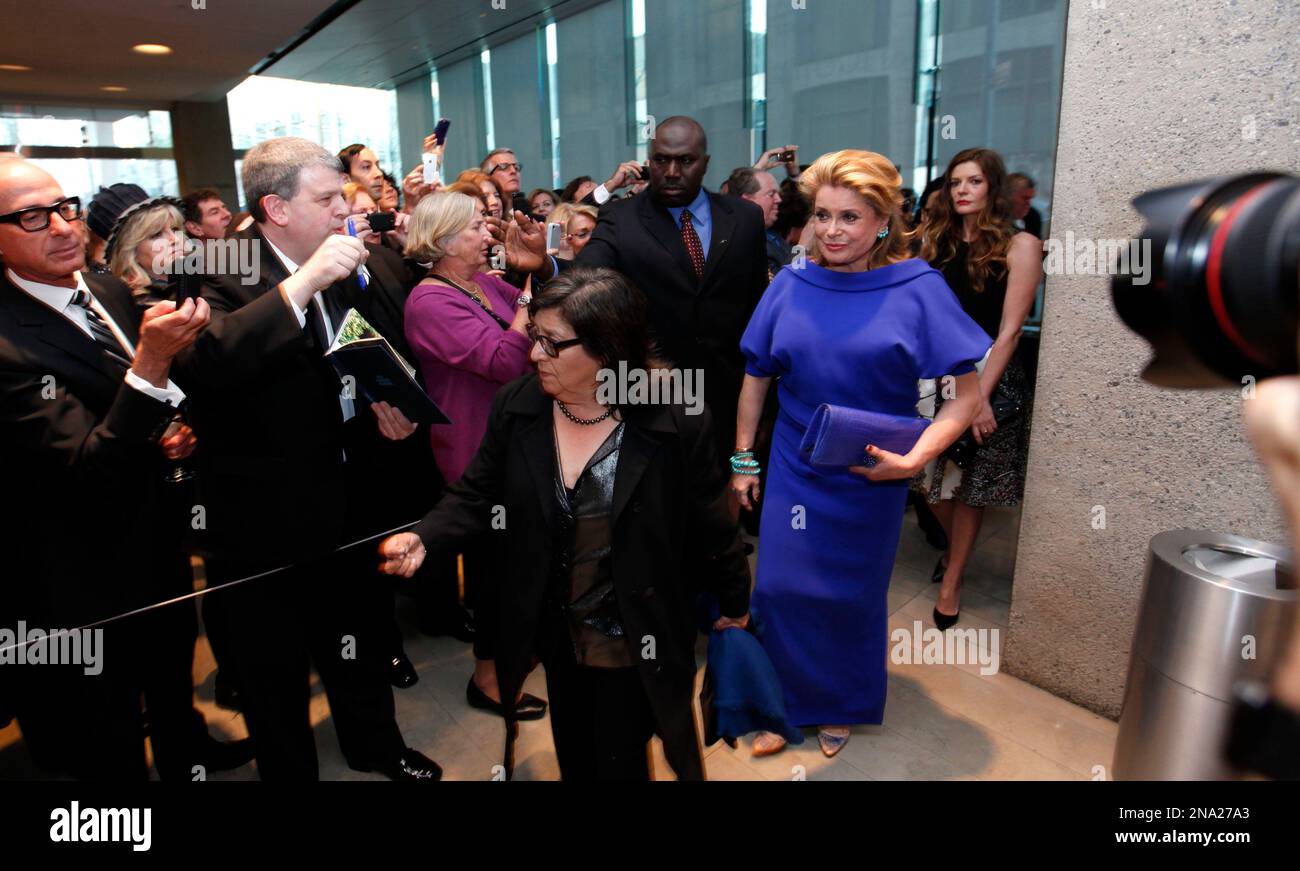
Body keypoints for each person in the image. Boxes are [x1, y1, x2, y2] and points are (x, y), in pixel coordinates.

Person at [379, 267, 751, 781]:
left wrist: (734, 602)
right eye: (534, 337)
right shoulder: (519, 405)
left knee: (621, 756)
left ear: (609, 348)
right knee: (574, 747)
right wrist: (425, 537)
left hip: (633, 634)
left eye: (552, 344)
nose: (533, 356)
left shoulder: (674, 417)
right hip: (553, 631)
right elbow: (475, 492)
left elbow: (711, 522)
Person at [173, 136, 442, 781]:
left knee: (358, 634)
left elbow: (356, 343)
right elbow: (206, 365)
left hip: (350, 493)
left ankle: (376, 746)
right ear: (276, 207)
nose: (341, 211)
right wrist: (303, 284)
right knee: (273, 662)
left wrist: (385, 395)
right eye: (325, 199)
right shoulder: (221, 264)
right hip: (260, 514)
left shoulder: (346, 261)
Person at [732, 149, 992, 758]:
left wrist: (914, 460)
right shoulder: (792, 283)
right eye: (821, 216)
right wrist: (743, 459)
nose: (831, 231)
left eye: (849, 217)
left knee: (848, 594)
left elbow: (964, 398)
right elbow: (755, 376)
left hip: (873, 471)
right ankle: (781, 704)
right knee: (779, 587)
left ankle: (839, 702)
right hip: (797, 463)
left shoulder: (917, 287)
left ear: (882, 221)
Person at [0, 159, 254, 779]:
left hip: (154, 533)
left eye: (66, 207)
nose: (61, 227)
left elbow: (128, 412)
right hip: (71, 570)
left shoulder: (107, 289)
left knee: (170, 667)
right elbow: (85, 465)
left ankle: (187, 750)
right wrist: (151, 365)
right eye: (31, 216)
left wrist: (169, 431)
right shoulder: (7, 339)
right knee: (100, 725)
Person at [507, 115, 769, 467]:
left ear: (705, 164)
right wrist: (543, 265)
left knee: (724, 503)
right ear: (650, 161)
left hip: (730, 390)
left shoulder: (745, 218)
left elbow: (757, 309)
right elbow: (586, 276)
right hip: (651, 391)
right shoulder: (621, 218)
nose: (673, 171)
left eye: (686, 161)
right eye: (662, 160)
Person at [401, 190, 544, 720]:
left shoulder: (480, 282)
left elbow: (542, 325)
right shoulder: (430, 301)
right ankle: (487, 680)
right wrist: (528, 300)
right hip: (475, 451)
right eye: (477, 229)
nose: (489, 236)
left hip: (513, 442)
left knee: (514, 565)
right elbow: (507, 360)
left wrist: (533, 287)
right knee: (492, 573)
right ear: (441, 240)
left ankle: (514, 653)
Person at [916, 148, 1041, 627]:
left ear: (993, 188)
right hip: (937, 372)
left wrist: (980, 397)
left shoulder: (1020, 245)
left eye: (973, 182)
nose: (962, 190)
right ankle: (954, 552)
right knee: (928, 478)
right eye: (955, 183)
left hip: (991, 372)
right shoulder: (936, 242)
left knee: (969, 485)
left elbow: (1010, 331)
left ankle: (953, 580)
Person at [104, 194, 188, 307]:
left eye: (175, 229)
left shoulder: (203, 282)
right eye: (156, 235)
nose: (175, 239)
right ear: (132, 252)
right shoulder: (134, 306)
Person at [724, 166, 788, 278]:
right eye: (771, 194)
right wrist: (801, 248)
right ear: (747, 201)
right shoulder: (741, 244)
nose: (779, 199)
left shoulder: (769, 233)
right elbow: (783, 287)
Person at [1006, 172, 1043, 238]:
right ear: (1008, 197)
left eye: (1030, 198)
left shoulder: (1032, 217)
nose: (1028, 203)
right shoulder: (993, 220)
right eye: (1025, 198)